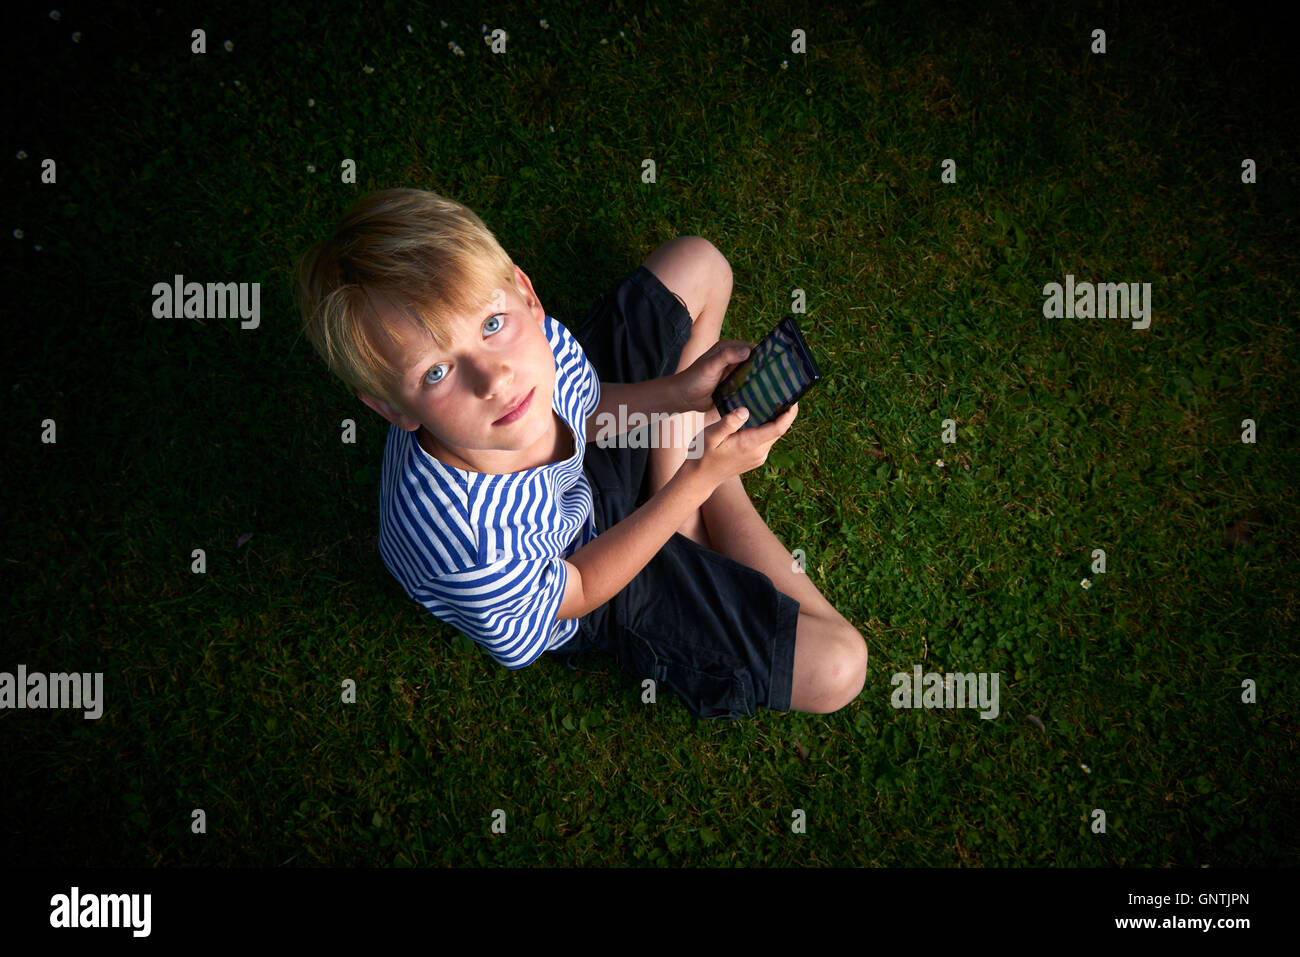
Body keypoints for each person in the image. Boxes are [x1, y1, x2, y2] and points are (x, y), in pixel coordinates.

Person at [295, 188, 866, 718]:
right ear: (393, 409)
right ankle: (710, 492)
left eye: (491, 323)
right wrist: (700, 479)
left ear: (527, 295)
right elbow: (581, 589)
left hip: (579, 479)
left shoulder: (534, 355)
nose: (494, 379)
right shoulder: (470, 546)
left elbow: (586, 410)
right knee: (839, 666)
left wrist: (679, 394)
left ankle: (688, 484)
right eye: (436, 373)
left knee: (699, 263)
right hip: (580, 570)